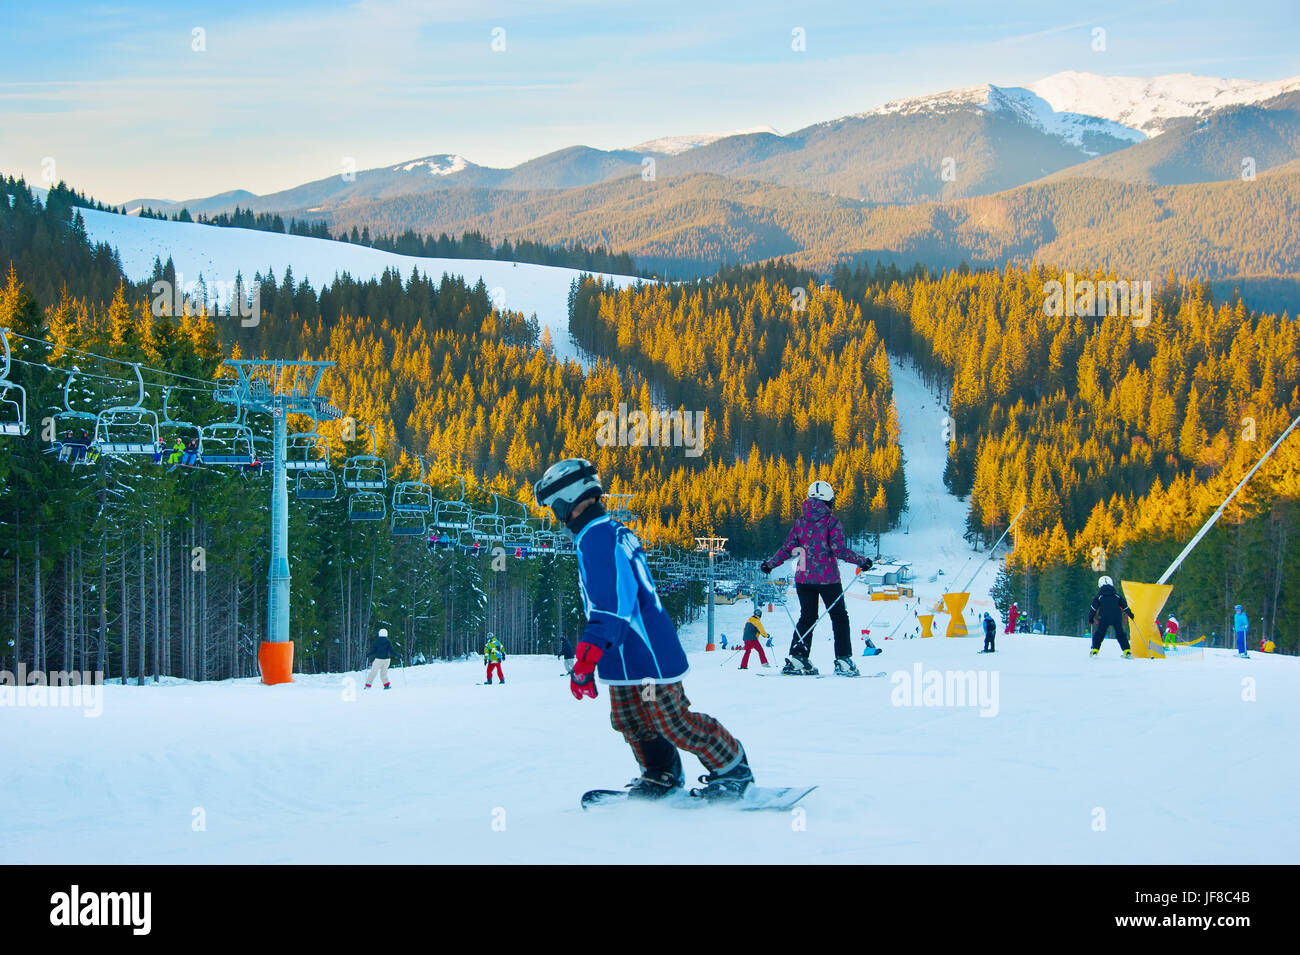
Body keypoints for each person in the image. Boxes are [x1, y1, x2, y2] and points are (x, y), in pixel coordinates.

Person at [534, 457, 754, 801]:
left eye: (554, 508)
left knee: (669, 719)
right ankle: (660, 772)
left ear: (567, 500)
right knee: (631, 718)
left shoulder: (597, 538)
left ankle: (732, 766)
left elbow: (612, 605)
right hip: (622, 654)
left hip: (644, 652)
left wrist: (586, 658)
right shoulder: (608, 531)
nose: (556, 517)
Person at [760, 480, 873, 677]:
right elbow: (839, 550)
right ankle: (843, 660)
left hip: (804, 579)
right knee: (839, 617)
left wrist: (770, 564)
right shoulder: (832, 522)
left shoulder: (800, 523)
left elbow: (788, 549)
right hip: (828, 579)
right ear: (829, 501)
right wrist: (861, 561)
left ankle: (798, 658)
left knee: (807, 617)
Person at [1088, 576, 1134, 657]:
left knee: (1099, 634)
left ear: (1100, 585)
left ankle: (1095, 650)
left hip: (1104, 617)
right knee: (1120, 634)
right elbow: (1125, 607)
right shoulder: (1117, 596)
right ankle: (1127, 651)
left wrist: (1090, 619)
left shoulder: (1099, 597)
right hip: (1116, 616)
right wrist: (1131, 615)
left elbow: (1093, 609)